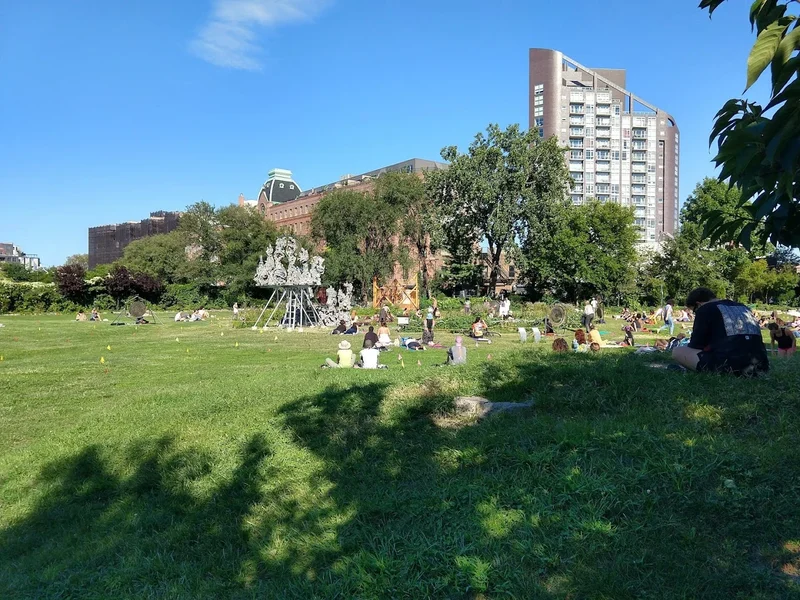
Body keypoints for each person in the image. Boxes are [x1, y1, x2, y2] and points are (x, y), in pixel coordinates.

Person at [672, 287, 769, 375]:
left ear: (698, 304)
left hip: (729, 365)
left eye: (694, 311)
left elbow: (696, 345)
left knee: (677, 351)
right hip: (760, 364)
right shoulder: (744, 307)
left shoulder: (705, 309)